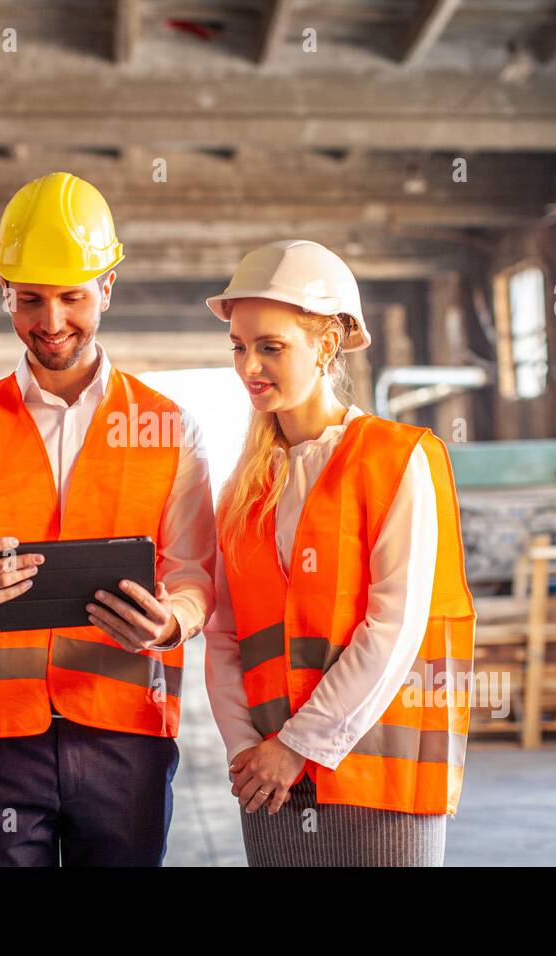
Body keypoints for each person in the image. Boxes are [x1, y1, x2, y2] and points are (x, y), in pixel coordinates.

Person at [0, 171, 216, 866]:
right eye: (30, 299)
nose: (51, 322)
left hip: (125, 733)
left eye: (72, 297)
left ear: (106, 288)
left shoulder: (168, 426)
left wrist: (170, 622)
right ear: (3, 292)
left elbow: (195, 572)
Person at [203, 239, 477, 867]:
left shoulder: (397, 458)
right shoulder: (242, 491)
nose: (250, 366)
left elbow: (394, 627)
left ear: (327, 345)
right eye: (239, 347)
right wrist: (248, 749)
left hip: (378, 780)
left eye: (271, 347)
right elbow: (225, 634)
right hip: (269, 782)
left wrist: (296, 746)